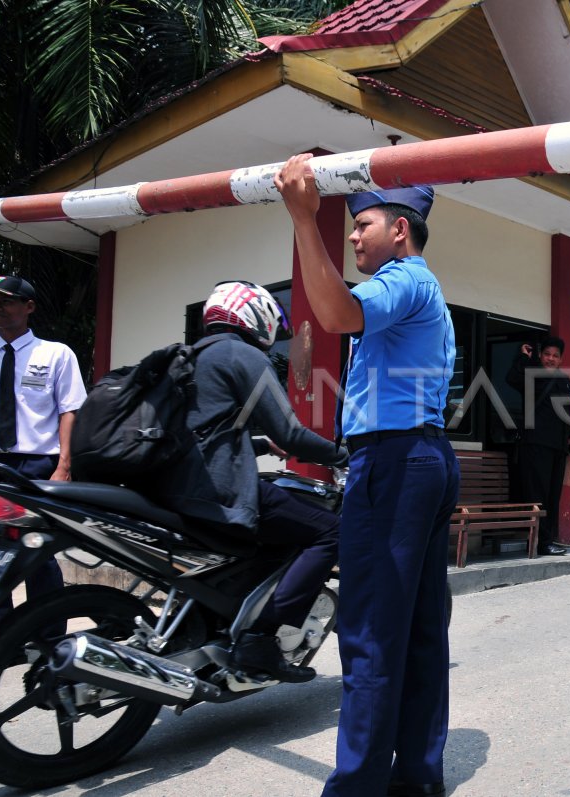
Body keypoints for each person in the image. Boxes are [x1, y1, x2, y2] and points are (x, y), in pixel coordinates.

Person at [277, 153, 460, 797]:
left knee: (370, 634)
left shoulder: (403, 279)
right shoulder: (421, 289)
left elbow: (335, 316)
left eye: (363, 225)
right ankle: (415, 779)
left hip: (395, 463)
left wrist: (305, 219)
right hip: (421, 458)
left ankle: (356, 788)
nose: (354, 235)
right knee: (413, 633)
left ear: (401, 230)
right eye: (349, 226)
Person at [147, 281, 347, 683]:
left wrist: (254, 443)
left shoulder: (188, 356)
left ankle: (220, 626)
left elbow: (197, 431)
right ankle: (260, 638)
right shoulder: (241, 354)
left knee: (277, 537)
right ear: (255, 318)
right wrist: (343, 454)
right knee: (330, 533)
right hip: (216, 492)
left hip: (167, 490)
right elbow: (291, 433)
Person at [0, 276, 85, 624]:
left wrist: (63, 465)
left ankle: (48, 633)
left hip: (37, 466)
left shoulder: (55, 354)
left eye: (7, 301)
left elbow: (69, 410)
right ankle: (2, 634)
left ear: (29, 307)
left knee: (38, 549)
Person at [507, 336, 570, 555]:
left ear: (560, 359)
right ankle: (539, 542)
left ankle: (547, 539)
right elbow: (511, 378)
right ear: (541, 355)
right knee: (536, 495)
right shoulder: (532, 375)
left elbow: (569, 411)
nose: (550, 359)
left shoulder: (564, 380)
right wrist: (522, 357)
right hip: (535, 444)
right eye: (547, 354)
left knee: (552, 495)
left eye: (555, 356)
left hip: (558, 446)